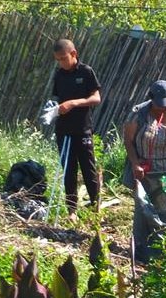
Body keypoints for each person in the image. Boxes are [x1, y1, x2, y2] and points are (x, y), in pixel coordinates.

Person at [121, 80, 166, 264]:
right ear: (151, 99)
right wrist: (135, 163)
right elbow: (129, 141)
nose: (163, 109)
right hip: (145, 173)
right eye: (159, 104)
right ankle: (145, 253)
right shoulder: (138, 115)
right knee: (145, 211)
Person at [51, 39, 102, 212]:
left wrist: (73, 103)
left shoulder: (86, 72)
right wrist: (54, 110)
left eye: (64, 58)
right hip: (64, 130)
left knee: (89, 170)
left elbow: (96, 98)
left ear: (74, 54)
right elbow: (57, 99)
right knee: (69, 172)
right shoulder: (59, 75)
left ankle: (96, 209)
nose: (61, 63)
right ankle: (72, 211)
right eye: (58, 60)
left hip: (82, 129)